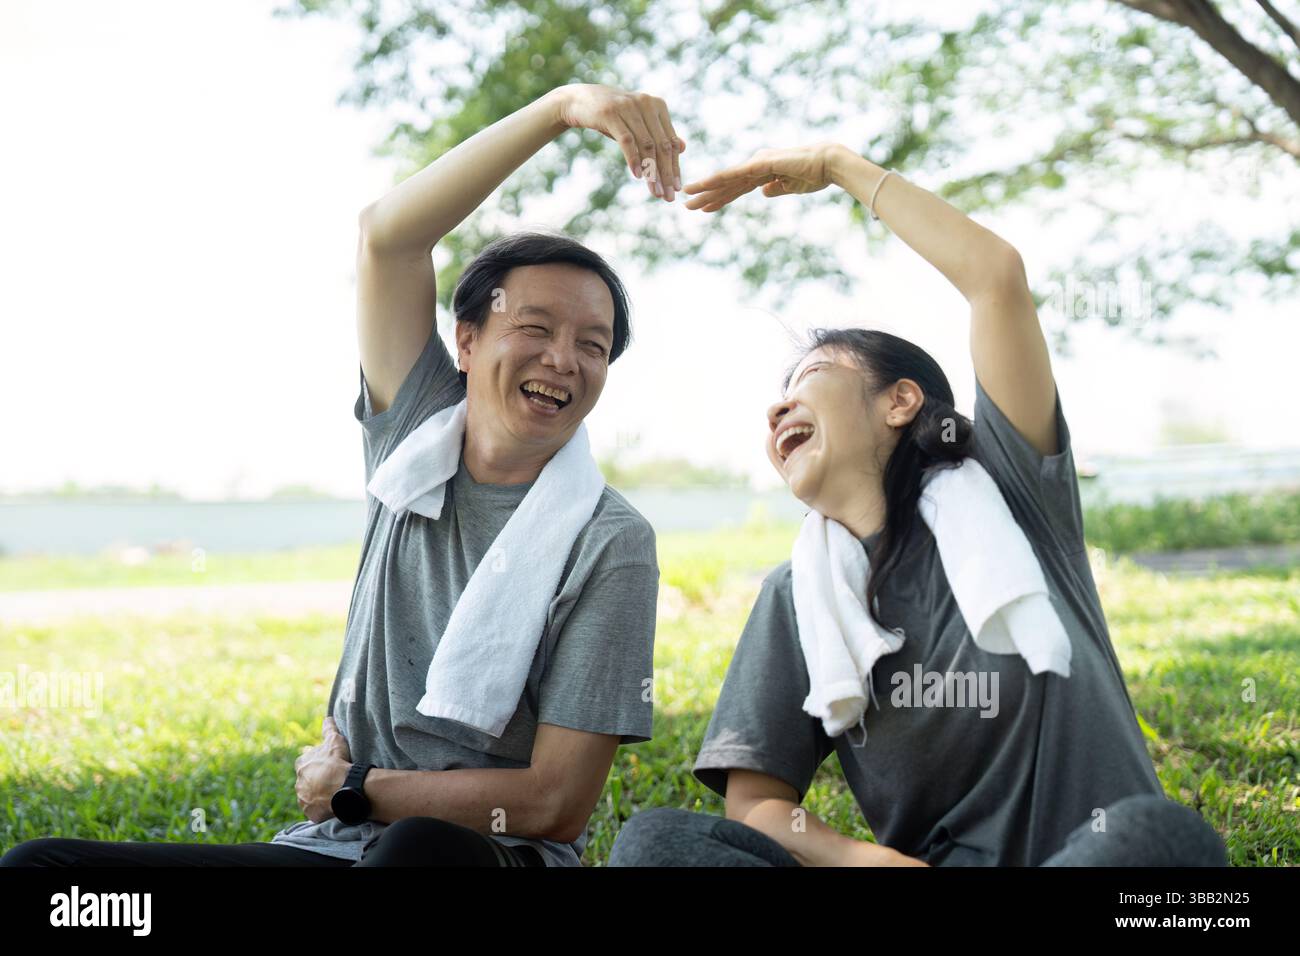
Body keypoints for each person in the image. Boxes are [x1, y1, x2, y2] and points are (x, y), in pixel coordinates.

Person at [1, 83, 681, 869]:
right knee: (46, 874)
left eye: (593, 345)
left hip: (486, 858)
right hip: (334, 849)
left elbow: (555, 805)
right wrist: (561, 108)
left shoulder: (611, 541)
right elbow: (388, 238)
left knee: (418, 853)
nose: (564, 359)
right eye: (534, 327)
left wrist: (360, 785)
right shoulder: (413, 434)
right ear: (464, 342)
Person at [607, 142, 1230, 867]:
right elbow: (757, 805)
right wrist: (865, 861)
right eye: (777, 394)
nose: (780, 406)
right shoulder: (795, 595)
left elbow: (996, 278)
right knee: (661, 841)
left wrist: (839, 166)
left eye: (809, 375)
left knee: (1157, 838)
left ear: (900, 401)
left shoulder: (1014, 500)